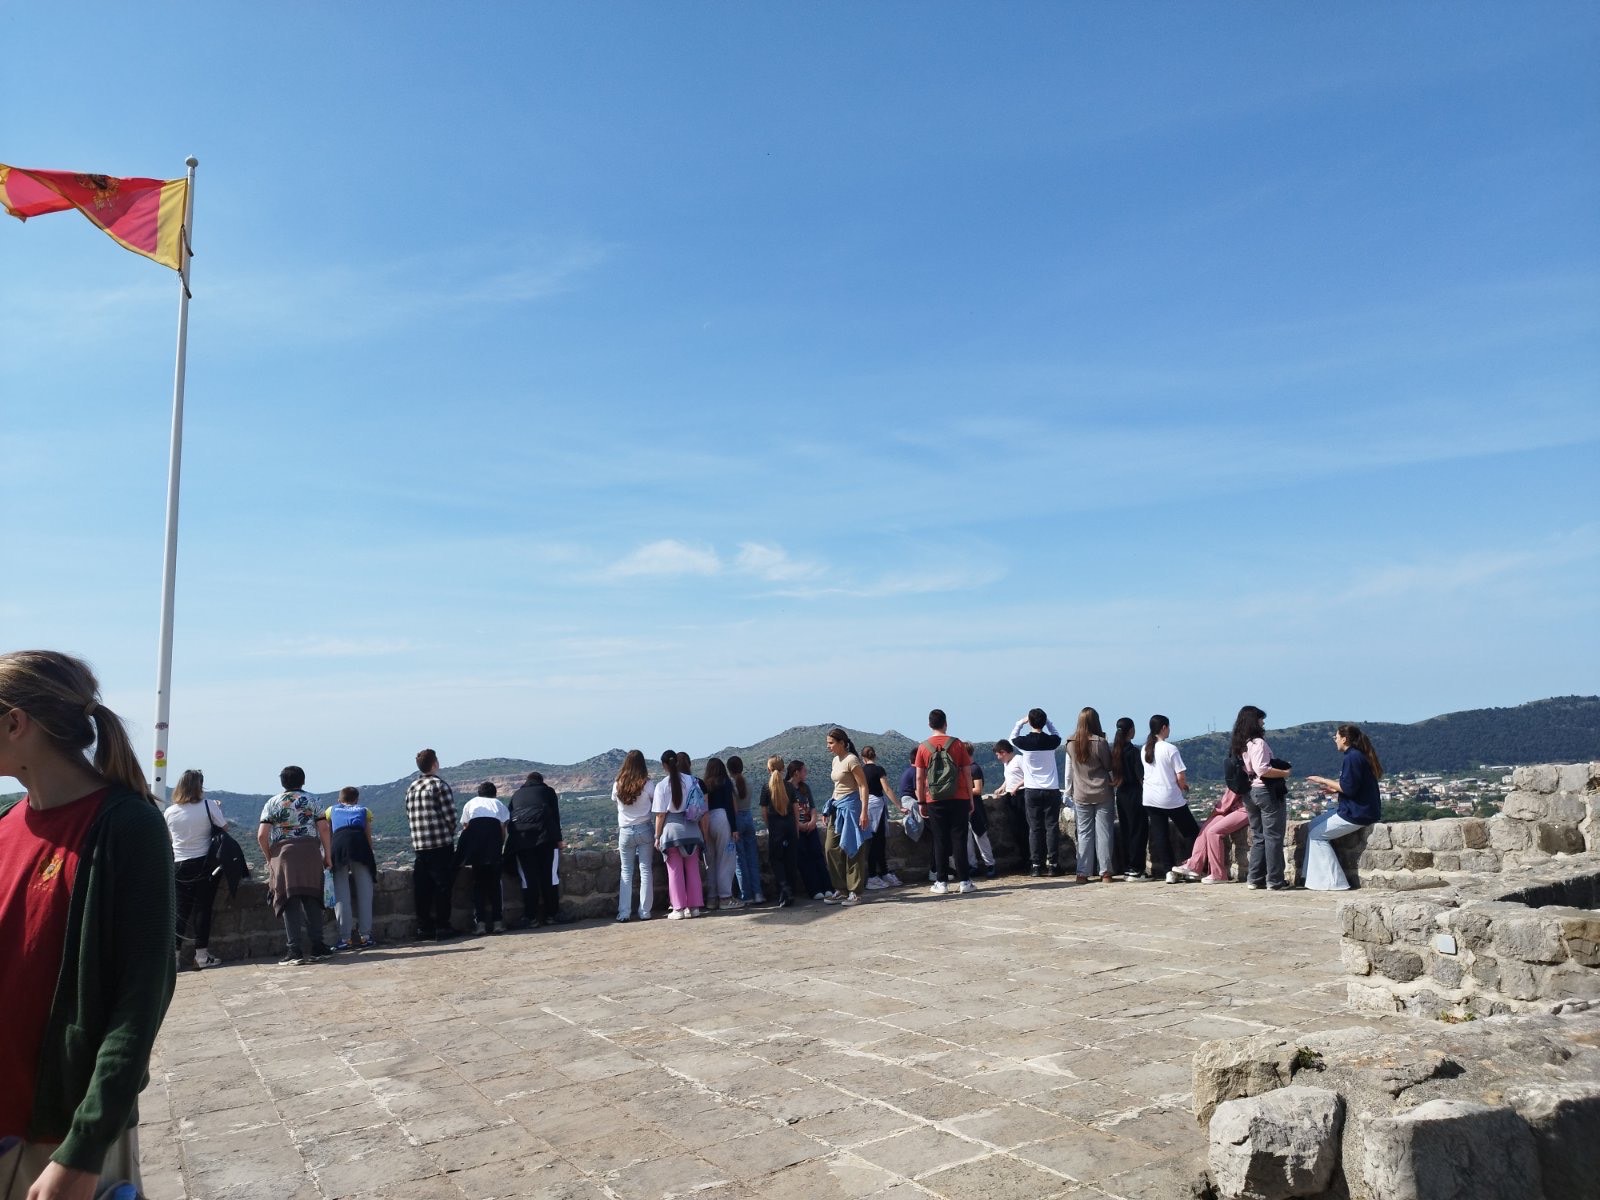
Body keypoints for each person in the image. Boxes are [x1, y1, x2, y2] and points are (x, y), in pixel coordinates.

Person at [0, 650, 175, 1199]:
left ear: (14, 722)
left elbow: (140, 997)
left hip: (62, 1129)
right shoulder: (6, 825)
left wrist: (85, 1147)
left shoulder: (128, 826)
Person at [257, 766, 332, 966]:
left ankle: (294, 950)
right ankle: (318, 947)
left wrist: (269, 857)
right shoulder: (313, 800)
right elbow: (323, 828)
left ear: (282, 783)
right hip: (310, 852)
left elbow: (262, 835)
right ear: (303, 781)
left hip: (283, 855)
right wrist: (327, 855)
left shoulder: (272, 803)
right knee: (312, 898)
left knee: (289, 899)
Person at [1302, 725, 1385, 891]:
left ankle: (1333, 882)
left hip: (1357, 812)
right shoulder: (1356, 756)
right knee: (1312, 825)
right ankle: (1310, 875)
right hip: (1357, 808)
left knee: (1317, 836)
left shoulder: (1352, 758)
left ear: (1344, 739)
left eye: (1336, 737)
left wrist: (1323, 780)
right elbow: (1352, 785)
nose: (1335, 740)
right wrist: (1334, 788)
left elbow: (1348, 788)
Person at [165, 767, 224, 969]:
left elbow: (169, 839)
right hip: (205, 863)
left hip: (179, 864)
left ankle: (173, 957)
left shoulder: (170, 812)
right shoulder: (209, 805)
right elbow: (224, 828)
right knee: (202, 909)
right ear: (199, 786)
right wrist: (217, 808)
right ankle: (201, 955)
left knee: (180, 911)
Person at [915, 709, 976, 895]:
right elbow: (967, 772)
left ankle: (941, 882)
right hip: (959, 798)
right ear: (946, 723)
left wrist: (921, 802)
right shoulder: (957, 744)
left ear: (929, 724)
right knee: (959, 839)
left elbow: (919, 777)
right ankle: (965, 881)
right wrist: (970, 799)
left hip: (934, 799)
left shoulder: (923, 747)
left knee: (940, 839)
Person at [1233, 706, 1292, 891]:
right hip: (1265, 791)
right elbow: (1262, 769)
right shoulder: (1258, 743)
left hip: (1249, 792)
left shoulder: (1240, 743)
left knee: (1258, 836)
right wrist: (1284, 773)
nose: (1263, 722)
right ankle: (1274, 880)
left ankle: (1255, 878)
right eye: (1260, 719)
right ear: (1254, 721)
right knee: (1273, 836)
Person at [405, 749, 459, 940]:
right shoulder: (439, 785)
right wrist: (450, 832)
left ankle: (423, 927)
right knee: (443, 886)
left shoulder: (412, 787)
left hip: (419, 844)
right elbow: (450, 815)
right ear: (435, 763)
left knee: (422, 888)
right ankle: (443, 926)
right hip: (439, 843)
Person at [1140, 716, 1199, 882]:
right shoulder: (1170, 748)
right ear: (1164, 728)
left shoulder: (1145, 748)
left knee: (1161, 835)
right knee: (1191, 831)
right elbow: (1180, 776)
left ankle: (1168, 871)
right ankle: (1192, 865)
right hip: (1170, 797)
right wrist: (1184, 787)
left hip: (1150, 798)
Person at [508, 771, 570, 926]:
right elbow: (555, 816)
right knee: (549, 877)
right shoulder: (547, 792)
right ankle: (552, 914)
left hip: (522, 841)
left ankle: (530, 917)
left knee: (529, 879)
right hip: (546, 838)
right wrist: (559, 839)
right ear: (541, 781)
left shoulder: (516, 795)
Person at [654, 751, 709, 918]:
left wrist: (657, 836)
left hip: (672, 831)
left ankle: (678, 908)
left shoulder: (662, 786)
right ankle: (695, 907)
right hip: (692, 828)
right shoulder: (692, 781)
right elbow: (701, 806)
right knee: (692, 868)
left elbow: (660, 814)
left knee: (675, 870)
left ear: (664, 765)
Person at [1009, 709, 1064, 876]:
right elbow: (1057, 734)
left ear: (1030, 723)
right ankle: (1053, 864)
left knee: (1035, 828)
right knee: (1052, 827)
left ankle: (1036, 865)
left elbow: (1012, 737)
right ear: (1044, 721)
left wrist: (1021, 722)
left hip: (1032, 789)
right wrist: (1048, 722)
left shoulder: (1025, 743)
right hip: (1051, 789)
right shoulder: (1052, 741)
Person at [822, 728, 872, 906]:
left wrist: (864, 811)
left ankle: (855, 892)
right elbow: (838, 785)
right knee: (831, 848)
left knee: (853, 847)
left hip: (851, 807)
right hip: (837, 806)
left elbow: (863, 786)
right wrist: (828, 808)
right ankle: (841, 889)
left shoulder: (852, 760)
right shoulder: (835, 760)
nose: (828, 746)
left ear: (842, 743)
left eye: (831, 743)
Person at [1067, 708, 1117, 884]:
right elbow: (1108, 765)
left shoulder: (1070, 743)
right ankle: (1105, 872)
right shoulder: (1099, 742)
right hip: (1102, 791)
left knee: (1084, 833)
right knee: (1104, 833)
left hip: (1081, 792)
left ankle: (1082, 872)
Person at [325, 786, 378, 949]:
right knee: (365, 891)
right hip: (359, 845)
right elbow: (368, 836)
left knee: (341, 892)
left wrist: (327, 856)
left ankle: (345, 938)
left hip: (339, 845)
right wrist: (370, 858)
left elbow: (328, 833)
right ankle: (365, 936)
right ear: (357, 800)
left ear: (339, 800)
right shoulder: (365, 811)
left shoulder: (330, 810)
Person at [458, 782, 510, 935]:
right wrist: (500, 845)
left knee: (478, 886)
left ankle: (479, 923)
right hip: (493, 847)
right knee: (495, 885)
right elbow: (503, 828)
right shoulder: (498, 804)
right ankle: (497, 922)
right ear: (494, 793)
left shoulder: (470, 803)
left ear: (478, 793)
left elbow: (466, 827)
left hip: (476, 850)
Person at [1169, 787, 1248, 884]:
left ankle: (1219, 874)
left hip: (1245, 808)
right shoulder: (1238, 772)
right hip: (1232, 808)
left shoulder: (1241, 773)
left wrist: (1216, 811)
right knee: (1206, 828)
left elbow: (1229, 797)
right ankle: (1194, 866)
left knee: (1213, 832)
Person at [613, 750, 655, 922]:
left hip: (626, 831)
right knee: (645, 870)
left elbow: (615, 801)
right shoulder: (648, 784)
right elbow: (655, 802)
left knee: (626, 872)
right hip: (645, 829)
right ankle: (644, 911)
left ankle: (624, 912)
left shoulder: (618, 784)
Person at [760, 754, 802, 906]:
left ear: (769, 769)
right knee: (790, 861)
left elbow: (764, 811)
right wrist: (796, 827)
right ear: (783, 768)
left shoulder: (766, 788)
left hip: (776, 828)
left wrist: (769, 825)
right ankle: (790, 892)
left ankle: (784, 890)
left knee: (776, 860)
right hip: (790, 826)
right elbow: (796, 809)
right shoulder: (789, 786)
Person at [701, 757, 741, 911]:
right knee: (726, 859)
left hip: (707, 819)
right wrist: (734, 828)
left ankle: (711, 898)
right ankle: (725, 897)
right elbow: (730, 806)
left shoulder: (704, 784)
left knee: (710, 860)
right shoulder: (725, 782)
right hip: (722, 817)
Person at [1111, 717, 1148, 879]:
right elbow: (1141, 777)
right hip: (1134, 793)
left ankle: (1128, 866)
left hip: (1121, 794)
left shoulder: (1115, 751)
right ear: (1131, 730)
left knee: (1126, 830)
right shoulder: (1133, 752)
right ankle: (1136, 868)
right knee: (1138, 831)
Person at [790, 760, 832, 899]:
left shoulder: (805, 788)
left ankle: (827, 887)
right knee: (804, 860)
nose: (806, 773)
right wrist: (799, 825)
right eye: (804, 771)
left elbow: (812, 806)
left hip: (810, 826)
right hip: (798, 829)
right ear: (796, 772)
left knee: (817, 856)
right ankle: (814, 890)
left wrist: (813, 821)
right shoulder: (787, 789)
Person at [860, 746, 901, 889]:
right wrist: (899, 806)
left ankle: (879, 873)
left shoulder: (861, 771)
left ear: (863, 758)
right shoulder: (879, 770)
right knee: (879, 841)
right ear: (874, 756)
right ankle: (874, 875)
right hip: (878, 805)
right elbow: (887, 789)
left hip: (866, 806)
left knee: (873, 842)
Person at [727, 755, 765, 905]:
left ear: (729, 770)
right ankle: (758, 893)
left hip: (737, 820)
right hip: (749, 817)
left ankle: (746, 895)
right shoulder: (748, 782)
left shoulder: (730, 784)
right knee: (752, 858)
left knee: (740, 860)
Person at [992, 738, 1028, 868]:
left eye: (998, 754)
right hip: (1010, 796)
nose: (998, 758)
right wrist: (1003, 787)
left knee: (1023, 828)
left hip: (1020, 795)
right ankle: (1023, 858)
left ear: (1003, 752)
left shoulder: (1019, 759)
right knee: (1015, 829)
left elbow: (1028, 775)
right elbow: (1009, 777)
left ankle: (1028, 859)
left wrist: (1016, 787)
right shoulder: (1007, 763)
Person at [965, 743, 998, 878]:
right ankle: (972, 864)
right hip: (965, 807)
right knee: (967, 838)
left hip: (976, 807)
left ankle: (990, 864)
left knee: (980, 836)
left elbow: (978, 789)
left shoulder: (974, 769)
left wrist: (963, 790)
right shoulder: (965, 769)